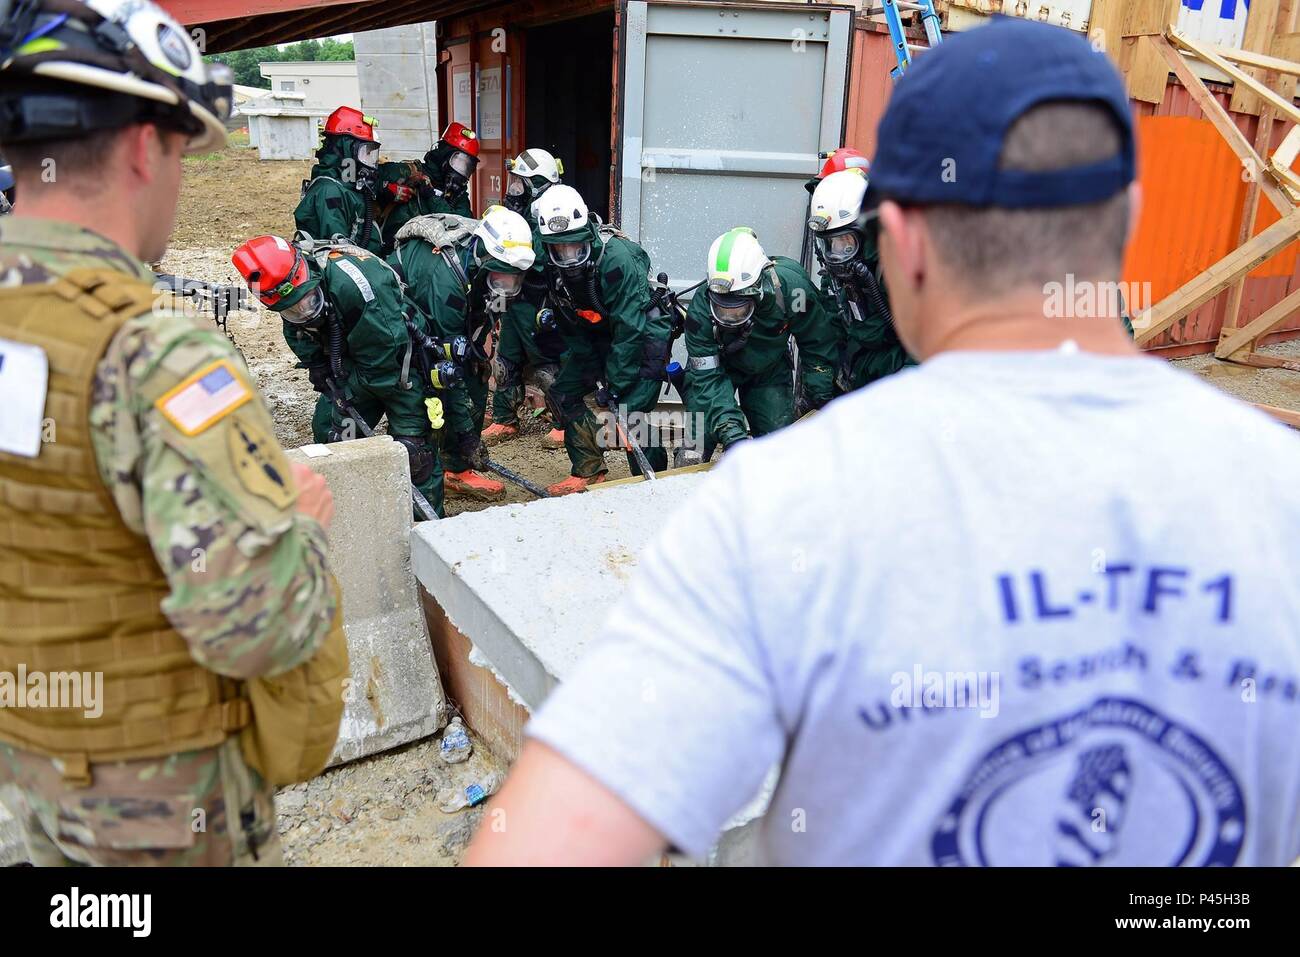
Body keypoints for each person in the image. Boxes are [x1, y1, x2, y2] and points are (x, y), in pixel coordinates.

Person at [466, 17, 1300, 866]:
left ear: (895, 241)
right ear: (1126, 219)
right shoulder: (1282, 498)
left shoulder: (776, 512)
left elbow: (546, 842)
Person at [0, 0, 347, 866]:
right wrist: (296, 522)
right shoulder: (154, 355)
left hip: (35, 776)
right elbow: (257, 623)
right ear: (147, 146)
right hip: (162, 805)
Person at [233, 234, 447, 516]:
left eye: (307, 302)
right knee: (333, 438)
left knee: (414, 453)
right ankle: (355, 515)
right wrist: (316, 365)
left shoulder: (357, 286)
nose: (303, 312)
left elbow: (381, 369)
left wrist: (346, 390)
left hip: (398, 364)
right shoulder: (288, 298)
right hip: (353, 360)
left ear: (307, 273)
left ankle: (426, 530)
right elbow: (297, 331)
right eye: (292, 310)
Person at [531, 185, 673, 495]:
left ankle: (655, 480)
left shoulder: (617, 260)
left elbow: (630, 330)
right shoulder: (551, 265)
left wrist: (616, 390)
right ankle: (588, 469)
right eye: (559, 249)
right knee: (563, 395)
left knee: (628, 414)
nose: (568, 257)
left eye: (575, 247)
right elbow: (568, 322)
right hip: (597, 334)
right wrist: (591, 367)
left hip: (643, 336)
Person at [390, 205, 536, 501]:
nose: (506, 287)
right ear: (484, 257)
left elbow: (486, 309)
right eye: (501, 278)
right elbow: (446, 361)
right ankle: (431, 473)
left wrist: (480, 352)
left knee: (476, 373)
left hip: (447, 319)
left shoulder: (484, 267)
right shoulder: (446, 281)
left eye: (512, 280)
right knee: (435, 391)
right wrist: (469, 435)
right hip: (405, 322)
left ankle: (457, 469)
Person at [682, 227, 837, 455]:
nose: (729, 315)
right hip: (717, 370)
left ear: (758, 287)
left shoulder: (793, 292)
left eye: (737, 308)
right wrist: (733, 434)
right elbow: (707, 379)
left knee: (776, 448)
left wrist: (822, 394)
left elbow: (816, 341)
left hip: (769, 369)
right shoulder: (701, 311)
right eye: (722, 307)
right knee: (694, 447)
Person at [807, 155, 914, 394]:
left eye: (845, 241)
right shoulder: (840, 268)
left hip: (904, 360)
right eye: (831, 243)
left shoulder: (898, 264)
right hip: (868, 356)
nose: (837, 252)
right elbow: (834, 322)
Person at [484, 148, 567, 449]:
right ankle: (504, 420)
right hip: (514, 302)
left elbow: (545, 263)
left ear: (539, 184)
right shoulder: (516, 217)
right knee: (505, 361)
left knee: (549, 367)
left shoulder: (552, 216)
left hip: (540, 304)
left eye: (521, 183)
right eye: (514, 182)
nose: (513, 190)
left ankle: (564, 423)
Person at [294, 106, 384, 254]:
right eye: (364, 151)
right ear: (346, 148)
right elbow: (338, 252)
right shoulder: (329, 191)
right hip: (351, 267)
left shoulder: (347, 184)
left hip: (364, 260)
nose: (368, 159)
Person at [377, 122, 479, 245]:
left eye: (467, 167)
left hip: (437, 257)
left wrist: (431, 197)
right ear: (444, 154)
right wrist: (386, 189)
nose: (462, 171)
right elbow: (369, 178)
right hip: (394, 251)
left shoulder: (458, 195)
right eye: (460, 162)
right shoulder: (409, 172)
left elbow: (462, 225)